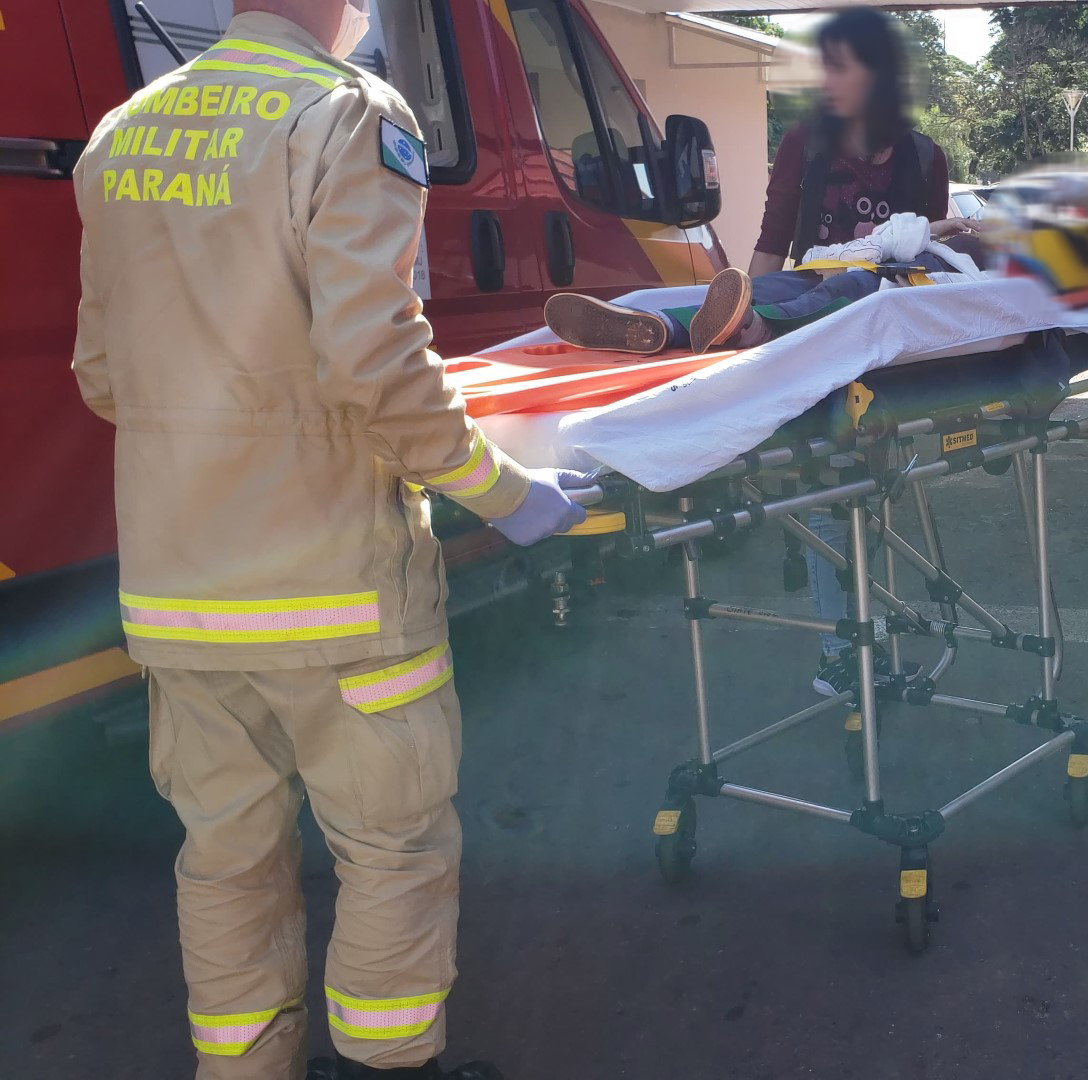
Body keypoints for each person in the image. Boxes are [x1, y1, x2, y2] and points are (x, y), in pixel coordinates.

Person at [70, 1, 588, 1076]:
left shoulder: (121, 133)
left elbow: (100, 375)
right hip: (336, 596)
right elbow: (374, 361)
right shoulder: (342, 114)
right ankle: (389, 1064)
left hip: (177, 595)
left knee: (223, 860)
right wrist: (505, 495)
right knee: (393, 850)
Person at [552, 7, 966, 699]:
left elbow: (922, 255)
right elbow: (774, 240)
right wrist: (739, 295)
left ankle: (870, 645)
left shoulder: (925, 159)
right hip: (806, 307)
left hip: (870, 325)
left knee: (866, 490)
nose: (825, 79)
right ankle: (679, 326)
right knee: (817, 487)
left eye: (840, 65)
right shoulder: (807, 143)